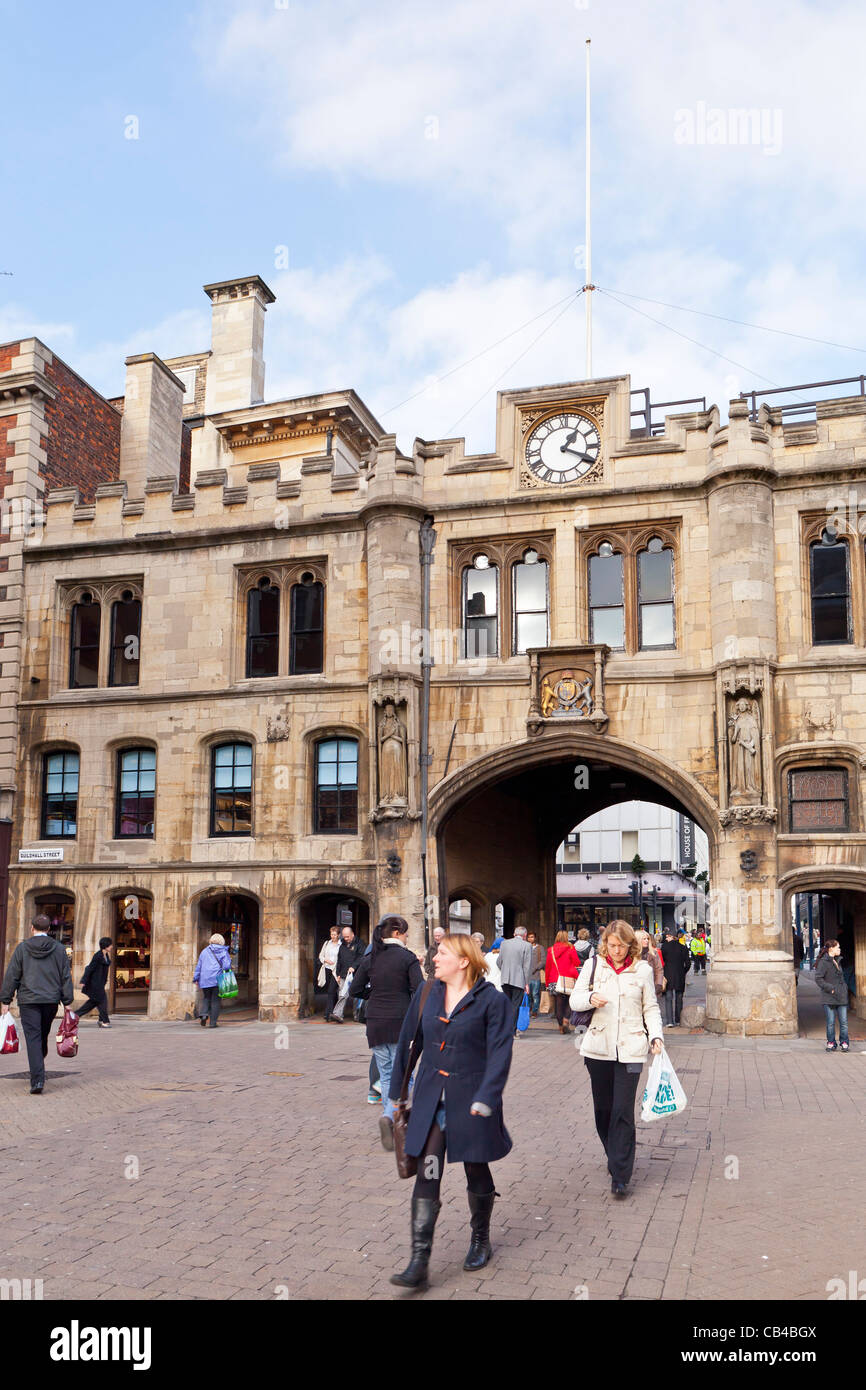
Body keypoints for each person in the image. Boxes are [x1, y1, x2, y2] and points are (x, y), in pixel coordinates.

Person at [388, 933, 514, 1288]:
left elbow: (501, 1052)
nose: (435, 957)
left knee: (476, 1166)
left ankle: (480, 1239)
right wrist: (398, 1091)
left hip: (473, 1098)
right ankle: (418, 1261)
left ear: (463, 961)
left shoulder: (493, 1001)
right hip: (431, 1098)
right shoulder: (426, 993)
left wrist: (488, 1096)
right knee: (429, 1171)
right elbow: (408, 1043)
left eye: (442, 953)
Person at [570, 920, 664, 1198]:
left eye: (621, 946)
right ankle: (613, 1152)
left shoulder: (643, 969)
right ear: (605, 944)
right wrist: (591, 998)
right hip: (598, 1048)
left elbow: (651, 1008)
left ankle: (621, 1173)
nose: (616, 951)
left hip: (632, 1047)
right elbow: (575, 1000)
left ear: (630, 945)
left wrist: (655, 1037)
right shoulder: (593, 966)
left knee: (623, 1111)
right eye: (612, 945)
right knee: (603, 1110)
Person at [350, 914, 423, 1146]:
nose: (407, 937)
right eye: (406, 934)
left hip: (376, 1022)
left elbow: (355, 990)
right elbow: (419, 989)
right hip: (401, 1021)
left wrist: (375, 995)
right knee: (406, 1075)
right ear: (397, 933)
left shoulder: (370, 958)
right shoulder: (407, 958)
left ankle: (389, 1123)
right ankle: (392, 1117)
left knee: (387, 1073)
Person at [0, 913, 75, 1093]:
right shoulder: (58, 949)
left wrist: (5, 1001)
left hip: (29, 1000)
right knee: (41, 1034)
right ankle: (38, 1070)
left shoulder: (22, 948)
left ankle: (37, 1081)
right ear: (49, 930)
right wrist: (68, 1002)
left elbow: (12, 975)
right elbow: (65, 976)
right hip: (50, 1000)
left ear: (32, 928)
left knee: (34, 1038)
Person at [814, 940, 850, 1051]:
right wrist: (831, 988)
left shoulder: (838, 960)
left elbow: (841, 978)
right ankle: (831, 1042)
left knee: (844, 1022)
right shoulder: (823, 962)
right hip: (828, 997)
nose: (839, 949)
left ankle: (844, 1042)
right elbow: (818, 978)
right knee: (830, 1022)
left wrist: (844, 988)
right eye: (838, 947)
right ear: (831, 949)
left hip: (841, 997)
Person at [497, 926, 533, 1036]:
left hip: (505, 979)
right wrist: (526, 983)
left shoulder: (504, 943)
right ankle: (511, 1031)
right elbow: (527, 966)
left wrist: (504, 971)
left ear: (514, 934)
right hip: (519, 979)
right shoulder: (527, 945)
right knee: (515, 1005)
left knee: (507, 1005)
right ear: (525, 936)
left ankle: (504, 1029)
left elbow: (499, 961)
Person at [545, 930, 582, 1035]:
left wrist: (547, 983)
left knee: (558, 1004)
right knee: (570, 1002)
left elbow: (548, 967)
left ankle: (560, 1027)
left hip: (554, 979)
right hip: (568, 978)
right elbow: (577, 962)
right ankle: (566, 1020)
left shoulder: (551, 950)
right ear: (566, 938)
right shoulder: (570, 948)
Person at [193, 932, 232, 1028]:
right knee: (216, 1000)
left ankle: (204, 1014)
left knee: (206, 997)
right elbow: (226, 966)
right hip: (218, 979)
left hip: (205, 979)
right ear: (221, 941)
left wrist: (196, 978)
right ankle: (213, 1023)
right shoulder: (223, 951)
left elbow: (199, 966)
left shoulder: (204, 951)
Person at [77, 937, 113, 1027]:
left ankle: (74, 1016)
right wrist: (83, 980)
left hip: (100, 984)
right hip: (95, 984)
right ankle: (105, 1021)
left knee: (93, 1003)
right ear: (105, 946)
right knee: (102, 1002)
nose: (112, 946)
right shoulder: (98, 956)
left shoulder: (106, 955)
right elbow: (89, 968)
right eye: (110, 945)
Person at [332, 925, 365, 1022]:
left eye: (348, 937)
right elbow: (339, 959)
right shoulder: (341, 944)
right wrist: (338, 973)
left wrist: (354, 967)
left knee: (356, 996)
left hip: (356, 974)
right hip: (343, 974)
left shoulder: (360, 943)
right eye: (344, 937)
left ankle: (357, 1015)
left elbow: (362, 957)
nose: (346, 939)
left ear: (352, 934)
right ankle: (338, 1014)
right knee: (342, 994)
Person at [658, 929, 690, 1026]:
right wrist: (683, 971)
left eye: (668, 936)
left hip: (668, 975)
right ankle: (678, 1019)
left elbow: (661, 961)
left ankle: (669, 1021)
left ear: (672, 937)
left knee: (668, 998)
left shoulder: (665, 947)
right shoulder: (683, 947)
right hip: (680, 975)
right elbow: (688, 964)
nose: (666, 938)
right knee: (679, 997)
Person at [318, 925, 341, 1021]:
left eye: (335, 935)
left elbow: (342, 958)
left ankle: (328, 1014)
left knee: (331, 991)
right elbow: (321, 956)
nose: (333, 936)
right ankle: (333, 1011)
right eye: (331, 934)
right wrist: (326, 960)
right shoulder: (327, 943)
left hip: (336, 970)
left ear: (338, 935)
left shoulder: (341, 945)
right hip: (327, 969)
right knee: (331, 992)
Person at [635, 929, 664, 999]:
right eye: (644, 939)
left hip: (651, 988)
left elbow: (659, 970)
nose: (647, 940)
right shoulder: (632, 953)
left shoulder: (653, 953)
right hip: (636, 989)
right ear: (638, 939)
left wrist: (658, 985)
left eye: (648, 939)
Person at [526, 932, 544, 1017]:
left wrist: (535, 968)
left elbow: (543, 961)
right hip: (526, 976)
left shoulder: (540, 948)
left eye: (532, 937)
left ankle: (534, 1011)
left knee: (535, 994)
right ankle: (528, 1009)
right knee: (528, 994)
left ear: (535, 938)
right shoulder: (525, 947)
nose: (530, 939)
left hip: (536, 975)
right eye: (529, 937)